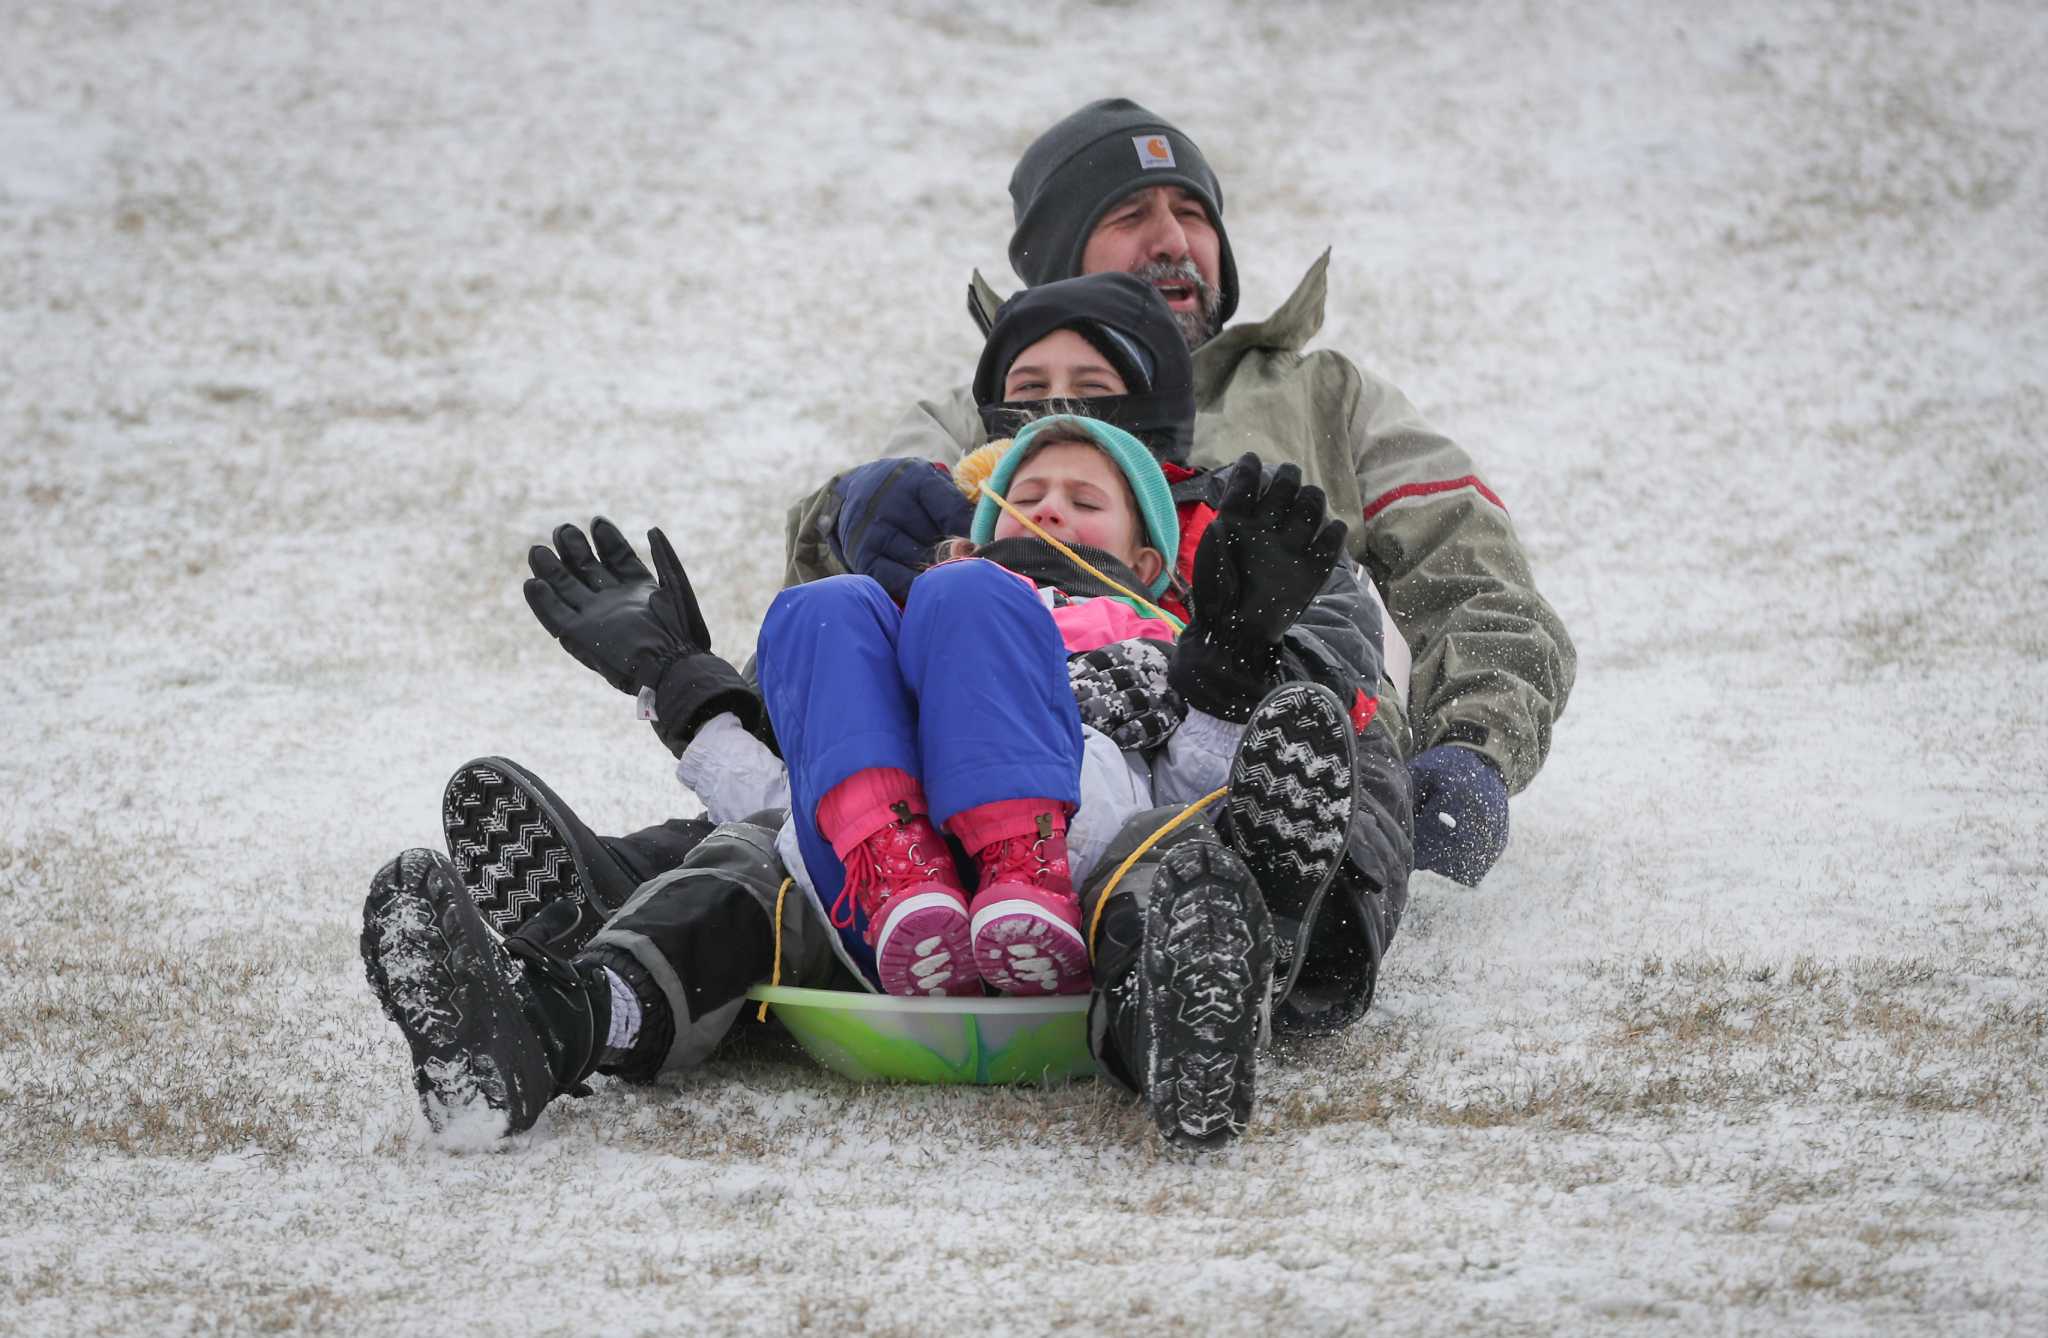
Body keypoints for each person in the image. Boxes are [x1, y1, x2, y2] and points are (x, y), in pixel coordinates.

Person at [361, 278, 1397, 1147]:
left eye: (1083, 504)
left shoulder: (1143, 637)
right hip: (884, 898)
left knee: (1168, 861)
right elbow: (788, 795)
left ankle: (1182, 1027)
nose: (1048, 513)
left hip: (1072, 880)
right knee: (750, 845)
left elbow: (1180, 786)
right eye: (1025, 499)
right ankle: (550, 1029)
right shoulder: (919, 614)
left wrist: (1220, 669)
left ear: (1143, 560)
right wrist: (678, 683)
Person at [787, 97, 1576, 890]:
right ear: (1058, 257)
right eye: (1130, 214)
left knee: (1334, 585)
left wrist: (1475, 746)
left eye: (1193, 213)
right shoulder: (974, 419)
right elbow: (832, 598)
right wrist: (853, 507)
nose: (1173, 242)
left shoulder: (1328, 399)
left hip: (1280, 766)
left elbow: (1473, 574)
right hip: (1015, 769)